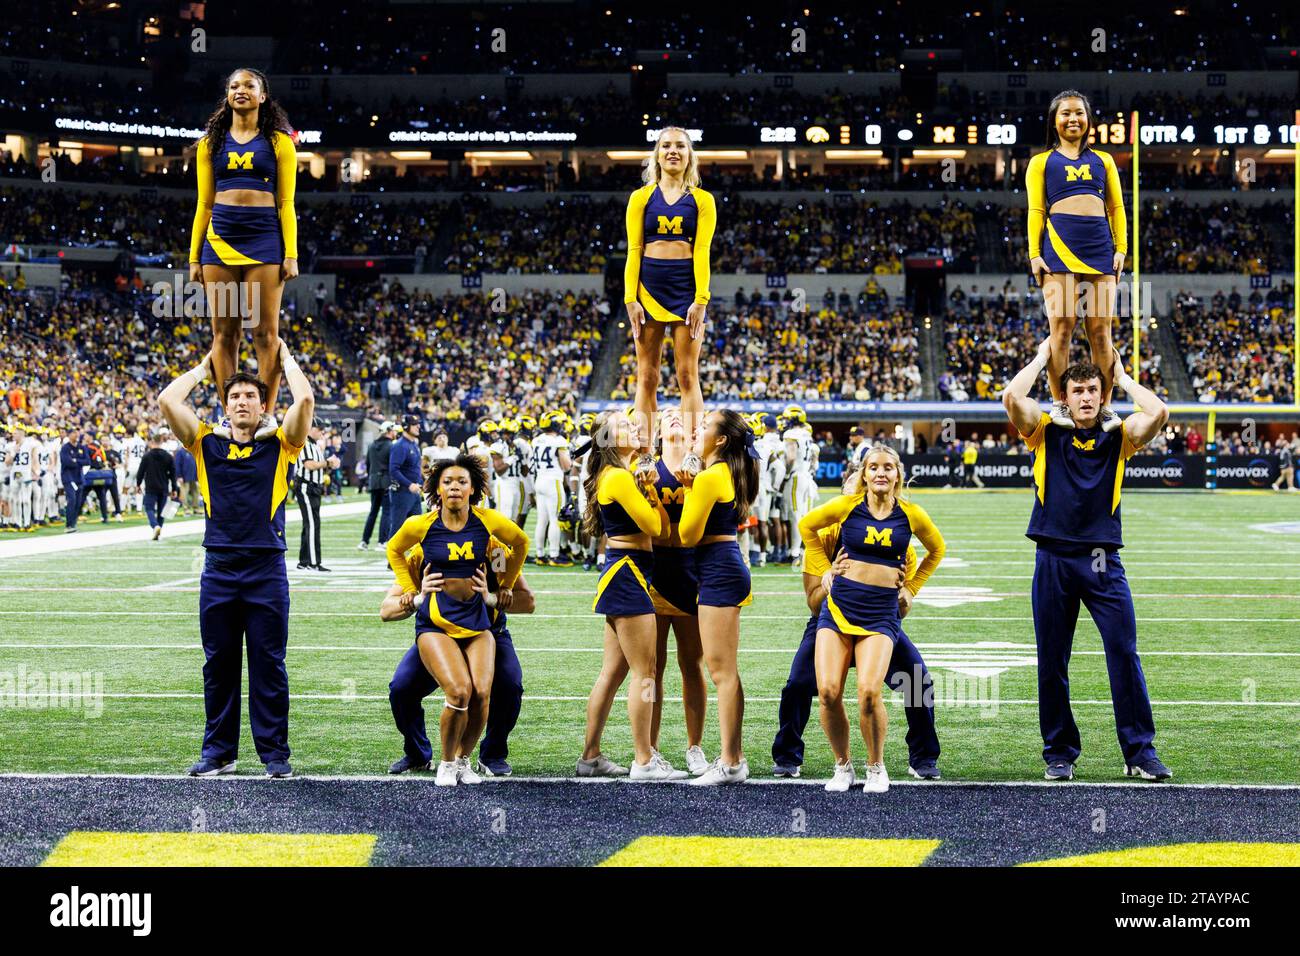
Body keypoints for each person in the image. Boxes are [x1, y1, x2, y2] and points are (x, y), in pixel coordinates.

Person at [1001, 341, 1172, 781]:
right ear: (1065, 395)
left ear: (1102, 394)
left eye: (1093, 390)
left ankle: (1139, 752)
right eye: (1077, 390)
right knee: (1052, 660)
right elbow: (1012, 397)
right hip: (1053, 556)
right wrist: (1043, 358)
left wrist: (1123, 377)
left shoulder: (1119, 435)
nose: (1086, 397)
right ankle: (1059, 752)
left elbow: (1158, 413)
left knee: (1123, 652)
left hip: (1102, 560)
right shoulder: (1045, 430)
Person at [158, 338, 314, 778]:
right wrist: (204, 369)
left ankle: (274, 754)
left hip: (266, 569)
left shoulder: (280, 443)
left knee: (269, 663)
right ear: (225, 406)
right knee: (219, 665)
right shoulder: (205, 442)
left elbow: (304, 400)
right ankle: (219, 752)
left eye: (250, 396)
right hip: (220, 569)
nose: (242, 401)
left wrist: (286, 358)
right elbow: (168, 400)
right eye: (234, 396)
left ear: (263, 406)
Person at [772, 466, 941, 780]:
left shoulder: (897, 543)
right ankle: (787, 754)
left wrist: (905, 595)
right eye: (854, 494)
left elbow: (900, 612)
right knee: (798, 684)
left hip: (877, 622)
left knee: (918, 681)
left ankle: (923, 757)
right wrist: (833, 579)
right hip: (830, 621)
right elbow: (813, 604)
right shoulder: (823, 536)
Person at [384, 454, 529, 786]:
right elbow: (389, 586)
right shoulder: (420, 534)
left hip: (483, 626)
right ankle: (429, 757)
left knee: (495, 689)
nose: (454, 487)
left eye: (462, 481)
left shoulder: (491, 536)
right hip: (437, 626)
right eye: (447, 481)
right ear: (436, 488)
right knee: (417, 689)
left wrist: (501, 591)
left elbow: (525, 579)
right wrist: (413, 593)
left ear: (473, 488)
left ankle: (478, 757)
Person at [189, 67, 299, 439]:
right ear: (227, 95)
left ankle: (265, 414)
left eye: (249, 86)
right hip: (219, 242)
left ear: (262, 95)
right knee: (224, 334)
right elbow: (204, 203)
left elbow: (286, 203)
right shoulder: (210, 144)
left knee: (265, 333)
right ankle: (231, 415)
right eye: (234, 85)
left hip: (265, 240)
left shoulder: (279, 142)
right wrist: (193, 257)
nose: (241, 90)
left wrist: (291, 253)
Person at [577, 409, 678, 780]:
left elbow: (660, 528)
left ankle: (590, 757)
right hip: (628, 573)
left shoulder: (619, 473)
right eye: (624, 425)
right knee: (645, 673)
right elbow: (654, 525)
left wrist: (647, 488)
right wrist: (650, 489)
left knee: (613, 673)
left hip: (625, 571)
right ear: (607, 439)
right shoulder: (619, 477)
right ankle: (644, 760)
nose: (634, 426)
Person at [1026, 90, 1127, 432]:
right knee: (1062, 329)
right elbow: (1036, 210)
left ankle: (1106, 407)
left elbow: (1116, 208)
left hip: (1099, 249)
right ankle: (1060, 403)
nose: (1073, 119)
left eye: (1079, 113)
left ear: (1088, 119)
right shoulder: (1041, 162)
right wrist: (1035, 254)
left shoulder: (1104, 160)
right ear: (1054, 120)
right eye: (1066, 113)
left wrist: (1121, 248)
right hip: (1059, 248)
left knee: (1100, 332)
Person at [625, 126, 717, 481]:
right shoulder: (640, 198)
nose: (673, 151)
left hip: (686, 292)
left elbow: (702, 251)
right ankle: (646, 455)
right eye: (666, 146)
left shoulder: (703, 200)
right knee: (647, 375)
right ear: (657, 154)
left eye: (680, 146)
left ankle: (694, 453)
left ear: (689, 154)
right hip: (648, 290)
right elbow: (634, 250)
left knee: (687, 374)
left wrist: (701, 299)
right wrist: (630, 298)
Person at [675, 409, 760, 786]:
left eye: (706, 425)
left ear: (722, 440)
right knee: (725, 671)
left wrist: (689, 489)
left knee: (721, 672)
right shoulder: (723, 471)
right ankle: (734, 758)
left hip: (719, 570)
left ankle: (729, 762)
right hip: (722, 566)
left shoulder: (711, 477)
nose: (697, 429)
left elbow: (687, 535)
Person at [647, 407, 710, 775]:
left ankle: (695, 747)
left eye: (679, 415)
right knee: (651, 670)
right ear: (656, 430)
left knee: (692, 665)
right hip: (653, 575)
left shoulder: (702, 469)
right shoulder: (646, 468)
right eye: (666, 415)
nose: (673, 417)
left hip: (691, 573)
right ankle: (650, 747)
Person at [530, 411, 572, 567]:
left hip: (539, 480)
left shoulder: (536, 440)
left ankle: (540, 554)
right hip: (553, 481)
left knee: (542, 520)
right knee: (555, 519)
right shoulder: (558, 440)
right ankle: (554, 555)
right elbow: (566, 466)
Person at [295, 419, 332, 572]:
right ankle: (313, 562)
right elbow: (309, 465)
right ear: (310, 429)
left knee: (310, 524)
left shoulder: (314, 445)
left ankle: (304, 561)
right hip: (306, 487)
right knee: (312, 524)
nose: (322, 432)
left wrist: (328, 464)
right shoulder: (304, 443)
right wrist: (327, 463)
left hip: (314, 488)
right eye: (319, 429)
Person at [136, 431, 179, 541]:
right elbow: (173, 474)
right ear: (162, 441)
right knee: (162, 511)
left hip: (151, 486)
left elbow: (141, 472)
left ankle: (155, 526)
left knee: (149, 508)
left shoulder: (147, 456)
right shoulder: (168, 456)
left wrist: (138, 484)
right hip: (164, 486)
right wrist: (174, 488)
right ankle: (158, 530)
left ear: (152, 441)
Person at [360, 420, 395, 549]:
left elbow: (368, 465)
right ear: (389, 431)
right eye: (393, 430)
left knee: (373, 512)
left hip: (374, 482)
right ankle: (382, 541)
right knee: (386, 512)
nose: (395, 433)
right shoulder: (391, 446)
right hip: (386, 482)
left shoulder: (371, 445)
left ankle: (364, 541)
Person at [387, 414, 424, 530]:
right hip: (402, 493)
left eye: (418, 424)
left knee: (417, 529)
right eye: (414, 424)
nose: (418, 426)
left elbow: (415, 468)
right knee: (398, 530)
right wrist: (409, 484)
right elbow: (393, 470)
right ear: (406, 426)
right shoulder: (400, 445)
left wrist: (421, 482)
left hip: (414, 492)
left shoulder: (414, 444)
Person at [59, 429, 91, 533]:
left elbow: (87, 461)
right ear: (69, 435)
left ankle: (73, 523)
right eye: (73, 433)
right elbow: (67, 462)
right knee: (72, 500)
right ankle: (68, 525)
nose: (76, 435)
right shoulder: (65, 448)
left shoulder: (82, 447)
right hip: (69, 478)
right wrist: (78, 462)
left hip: (79, 477)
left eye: (77, 433)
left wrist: (76, 460)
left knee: (78, 501)